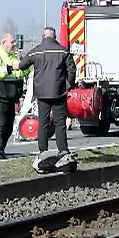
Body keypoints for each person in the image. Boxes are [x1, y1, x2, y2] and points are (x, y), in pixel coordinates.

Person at [16, 27, 78, 173]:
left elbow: (23, 65)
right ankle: (63, 150)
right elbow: (72, 69)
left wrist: (19, 59)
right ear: (54, 36)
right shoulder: (63, 51)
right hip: (58, 92)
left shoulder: (36, 51)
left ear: (43, 36)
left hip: (42, 93)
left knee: (43, 123)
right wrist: (68, 85)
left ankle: (42, 151)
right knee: (59, 123)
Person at [0, 33, 27, 160]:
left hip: (10, 97)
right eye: (12, 42)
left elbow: (24, 72)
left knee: (8, 126)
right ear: (3, 43)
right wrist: (10, 68)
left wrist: (22, 62)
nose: (14, 45)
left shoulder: (14, 56)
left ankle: (1, 150)